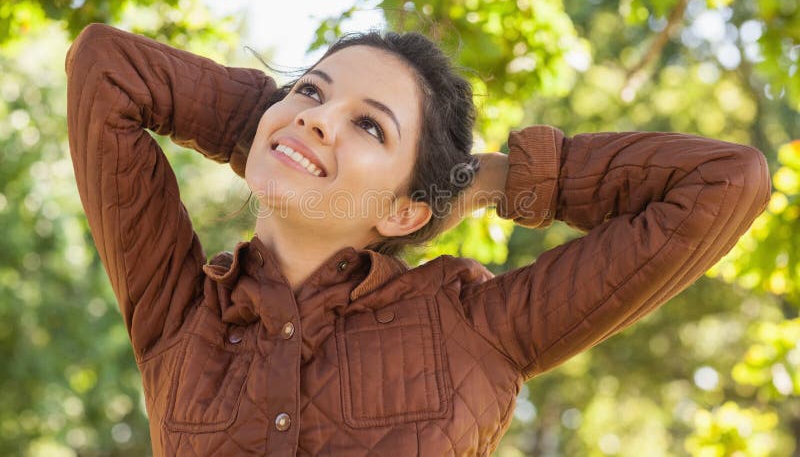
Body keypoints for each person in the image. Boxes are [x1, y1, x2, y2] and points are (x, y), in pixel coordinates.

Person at [66, 23, 771, 456]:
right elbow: (106, 68)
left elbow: (725, 183)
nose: (318, 118)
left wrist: (497, 179)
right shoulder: (178, 315)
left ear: (405, 211)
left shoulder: (478, 331)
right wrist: (274, 129)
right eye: (311, 90)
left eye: (370, 126)